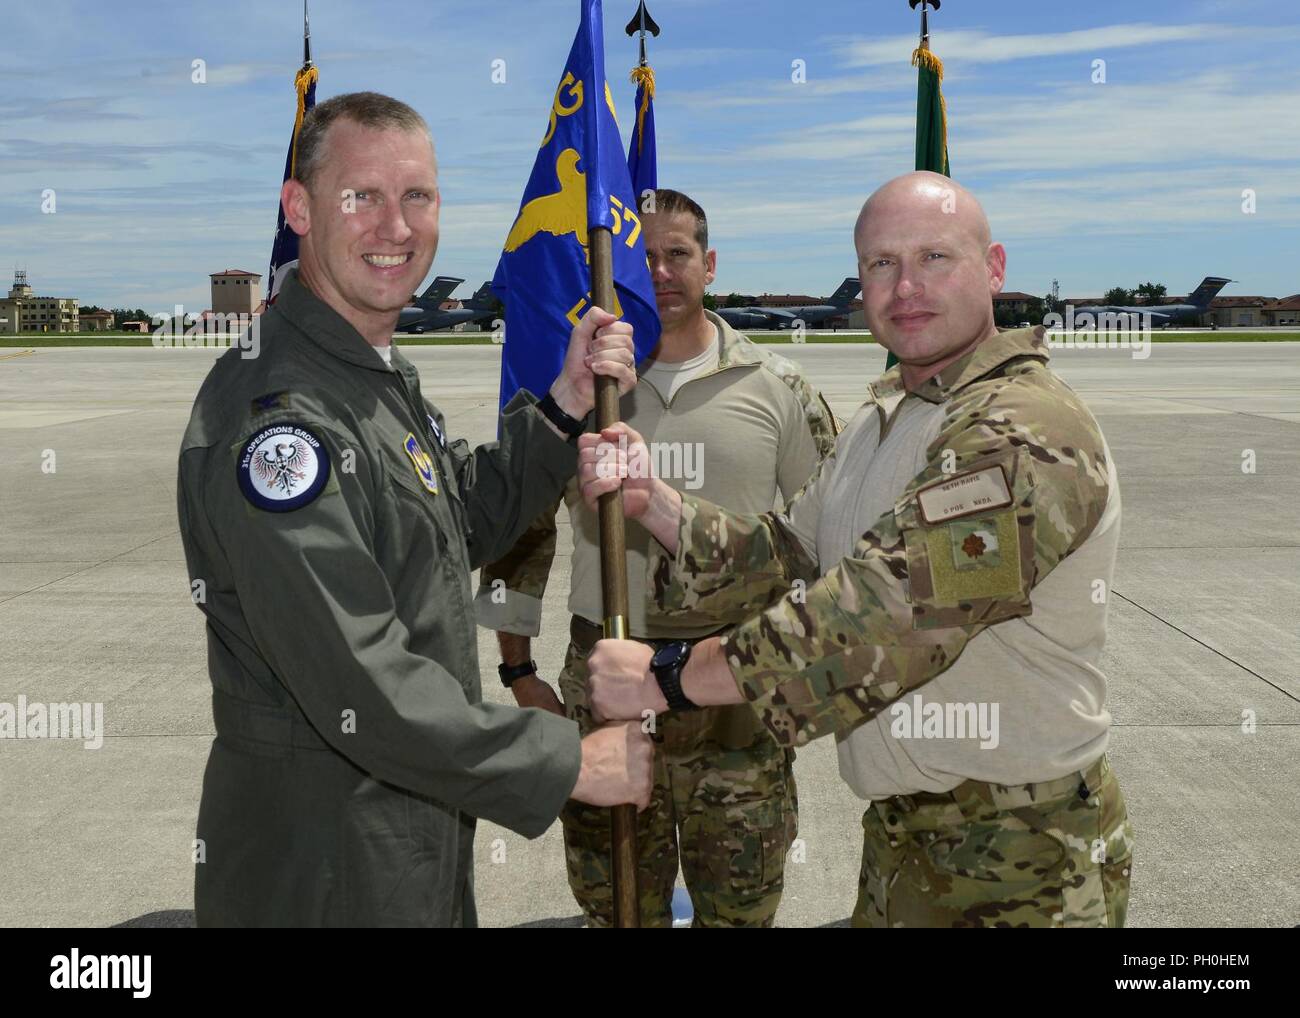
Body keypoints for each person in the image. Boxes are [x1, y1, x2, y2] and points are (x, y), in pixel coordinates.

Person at [580, 171, 1134, 928]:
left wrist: (668, 679)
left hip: (1018, 856)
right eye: (881, 264)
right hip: (909, 837)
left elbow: (893, 616)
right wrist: (658, 504)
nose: (905, 285)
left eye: (934, 257)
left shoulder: (1021, 426)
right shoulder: (889, 419)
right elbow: (790, 554)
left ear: (994, 268)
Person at [176, 91, 651, 928]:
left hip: (405, 835)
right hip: (323, 866)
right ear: (299, 208)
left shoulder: (368, 376)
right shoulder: (283, 421)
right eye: (361, 196)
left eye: (418, 197)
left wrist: (565, 403)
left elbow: (450, 522)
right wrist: (568, 760)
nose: (395, 227)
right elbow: (365, 681)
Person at [475, 189, 837, 927]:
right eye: (642, 257)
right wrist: (518, 673)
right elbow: (518, 539)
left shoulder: (779, 388)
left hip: (734, 693)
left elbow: (824, 545)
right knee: (617, 908)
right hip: (604, 685)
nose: (661, 272)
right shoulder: (580, 394)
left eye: (678, 254)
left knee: (741, 909)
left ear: (709, 265)